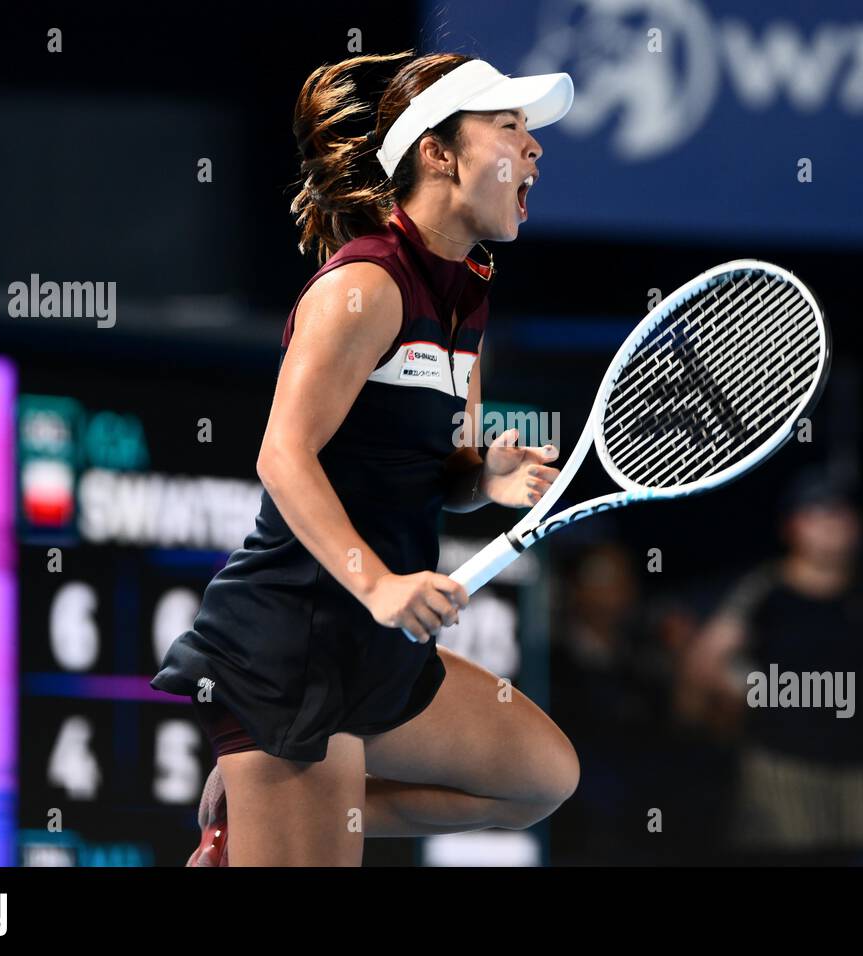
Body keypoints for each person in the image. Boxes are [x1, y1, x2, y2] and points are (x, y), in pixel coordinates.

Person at [151, 50, 580, 865]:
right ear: (438, 153)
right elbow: (283, 456)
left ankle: (262, 818)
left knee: (537, 778)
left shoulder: (466, 295)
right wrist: (378, 582)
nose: (534, 149)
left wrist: (480, 476)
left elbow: (440, 477)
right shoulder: (367, 285)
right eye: (510, 128)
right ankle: (273, 803)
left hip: (374, 650)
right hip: (294, 642)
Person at [685, 468, 863, 865]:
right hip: (779, 763)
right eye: (820, 514)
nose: (834, 525)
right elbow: (705, 660)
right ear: (793, 526)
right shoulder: (766, 589)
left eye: (842, 514)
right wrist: (762, 693)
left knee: (846, 858)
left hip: (852, 760)